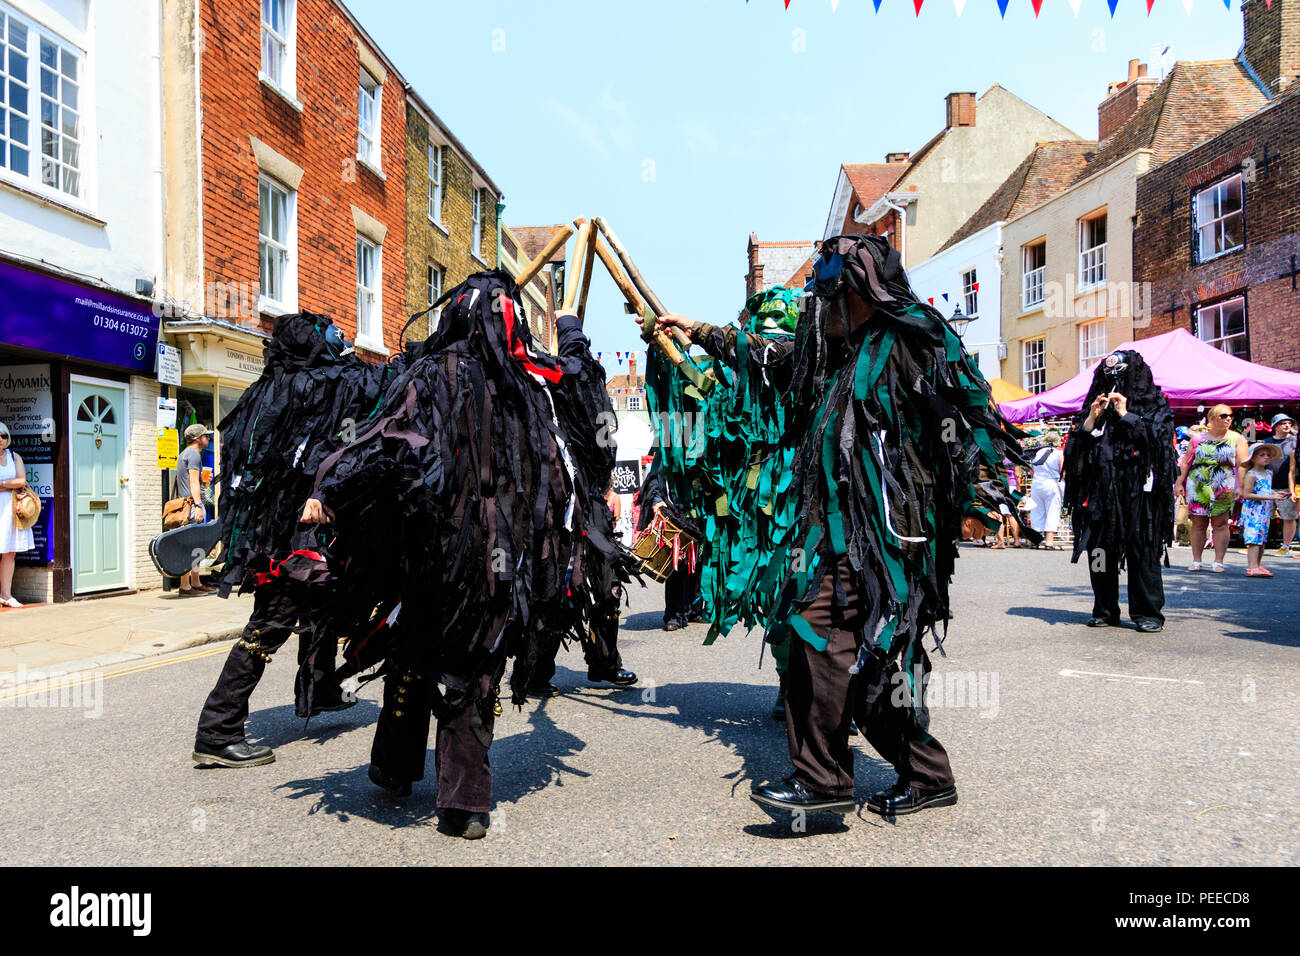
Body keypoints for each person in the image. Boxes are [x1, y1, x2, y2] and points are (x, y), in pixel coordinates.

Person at [702, 234, 1026, 818]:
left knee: (824, 637)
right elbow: (769, 355)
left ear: (865, 292)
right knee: (859, 659)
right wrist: (699, 333)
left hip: (887, 538)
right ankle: (924, 775)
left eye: (834, 296)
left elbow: (967, 410)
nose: (823, 309)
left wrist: (979, 499)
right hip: (835, 534)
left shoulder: (912, 337)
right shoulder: (832, 351)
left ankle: (824, 783)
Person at [191, 314, 377, 770]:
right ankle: (218, 730)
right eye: (333, 334)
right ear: (312, 346)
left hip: (281, 533)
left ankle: (320, 690)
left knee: (322, 604)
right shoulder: (318, 387)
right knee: (269, 625)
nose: (344, 339)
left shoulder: (275, 390)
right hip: (291, 539)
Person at [1065, 351, 1177, 633]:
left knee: (1142, 552)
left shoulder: (1156, 407)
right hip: (1100, 494)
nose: (1114, 383)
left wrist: (1126, 415)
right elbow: (1075, 451)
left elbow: (1158, 448)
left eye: (1121, 377)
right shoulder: (1094, 411)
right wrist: (1090, 420)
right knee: (1100, 552)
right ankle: (1104, 608)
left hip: (1139, 495)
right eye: (1109, 377)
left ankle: (1147, 612)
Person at [1176, 404, 1248, 573]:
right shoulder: (1197, 438)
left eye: (1230, 415)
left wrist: (1242, 486)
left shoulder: (1237, 438)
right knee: (1198, 523)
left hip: (1223, 482)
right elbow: (1186, 462)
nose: (1228, 418)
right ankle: (1196, 560)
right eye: (1223, 416)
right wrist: (1179, 482)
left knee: (1221, 523)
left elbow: (1243, 465)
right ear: (1213, 418)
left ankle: (1218, 561)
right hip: (1198, 482)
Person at [174, 424, 213, 596]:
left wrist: (205, 484)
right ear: (198, 438)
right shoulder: (194, 454)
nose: (208, 438)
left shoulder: (185, 454)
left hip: (189, 503)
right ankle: (185, 586)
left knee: (197, 545)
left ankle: (196, 583)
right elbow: (193, 482)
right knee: (189, 545)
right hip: (192, 505)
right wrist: (198, 505)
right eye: (206, 436)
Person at [0, 422, 34, 608]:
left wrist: (3, 483)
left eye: (3, 436)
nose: (0, 439)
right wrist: (11, 483)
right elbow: (17, 481)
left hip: (10, 508)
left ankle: (6, 594)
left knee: (9, 552)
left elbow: (22, 480)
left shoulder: (15, 456)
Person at [1239, 442, 1286, 577]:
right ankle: (1252, 566)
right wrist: (1269, 496)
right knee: (1254, 540)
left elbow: (1265, 489)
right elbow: (1247, 494)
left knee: (1262, 539)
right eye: (1262, 455)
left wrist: (1274, 494)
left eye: (1267, 455)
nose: (1266, 457)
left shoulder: (1268, 473)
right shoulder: (1251, 474)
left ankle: (1258, 564)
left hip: (1264, 511)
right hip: (1254, 510)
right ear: (1253, 458)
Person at [1262, 413, 1297, 556]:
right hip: (1268, 485)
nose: (1287, 425)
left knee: (1289, 516)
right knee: (1263, 516)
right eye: (1283, 423)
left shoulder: (1295, 441)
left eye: (1289, 423)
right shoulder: (1267, 442)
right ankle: (1257, 543)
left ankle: (1286, 546)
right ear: (1275, 426)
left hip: (1287, 485)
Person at [1028, 432, 1065, 550]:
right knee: (1052, 511)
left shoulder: (1037, 453)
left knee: (1037, 511)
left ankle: (1035, 540)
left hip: (1037, 483)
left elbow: (1032, 471)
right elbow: (1062, 471)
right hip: (1051, 483)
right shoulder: (1058, 453)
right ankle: (1049, 542)